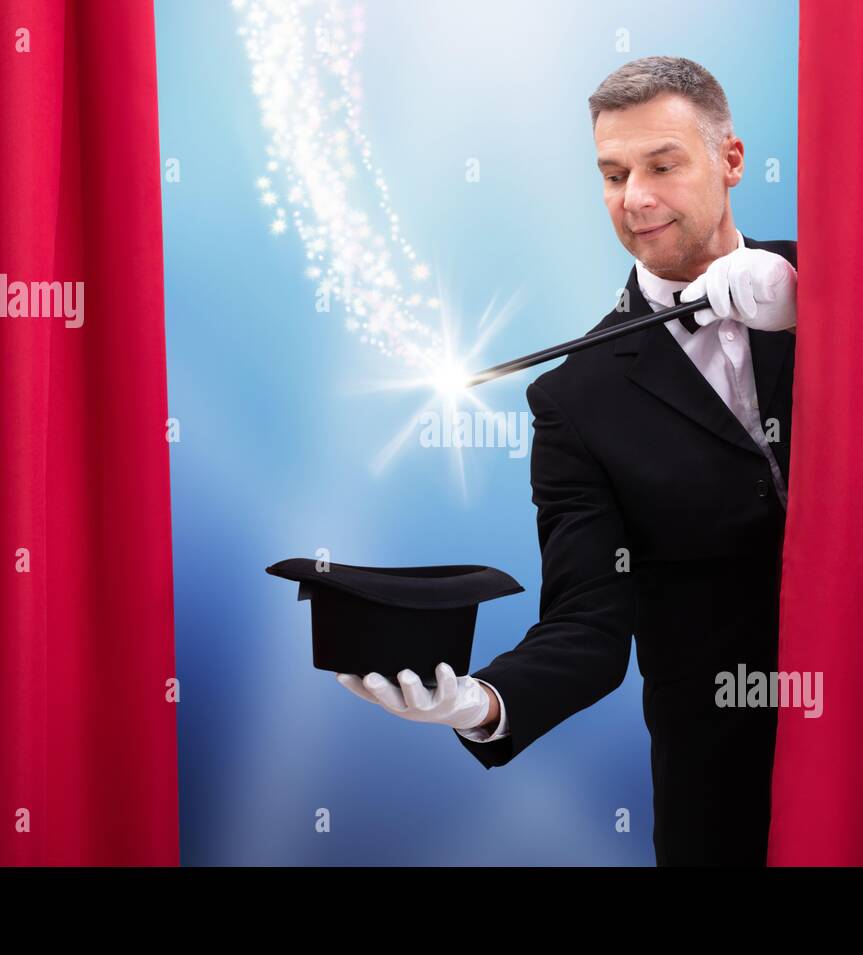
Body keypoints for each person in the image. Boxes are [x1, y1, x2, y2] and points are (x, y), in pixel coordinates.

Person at [337, 56, 798, 866]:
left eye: (662, 166)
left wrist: (825, 301)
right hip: (726, 781)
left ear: (731, 160)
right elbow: (588, 623)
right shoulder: (576, 398)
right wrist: (482, 701)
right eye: (613, 175)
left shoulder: (848, 276)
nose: (635, 198)